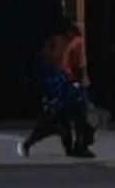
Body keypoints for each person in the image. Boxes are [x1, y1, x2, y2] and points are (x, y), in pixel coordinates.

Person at [18, 20, 96, 158]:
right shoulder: (72, 43)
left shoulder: (57, 44)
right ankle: (78, 145)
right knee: (68, 119)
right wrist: (78, 80)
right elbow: (77, 65)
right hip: (65, 86)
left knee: (60, 121)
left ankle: (73, 146)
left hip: (59, 86)